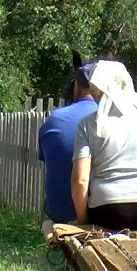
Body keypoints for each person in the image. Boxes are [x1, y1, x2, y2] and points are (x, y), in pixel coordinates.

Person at [70, 60, 137, 231]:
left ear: (96, 90)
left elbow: (80, 180)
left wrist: (83, 219)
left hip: (109, 211)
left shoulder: (88, 124)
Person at [38, 56, 98, 223]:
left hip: (59, 213)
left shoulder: (55, 119)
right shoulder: (110, 119)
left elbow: (51, 161)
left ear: (76, 85)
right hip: (103, 213)